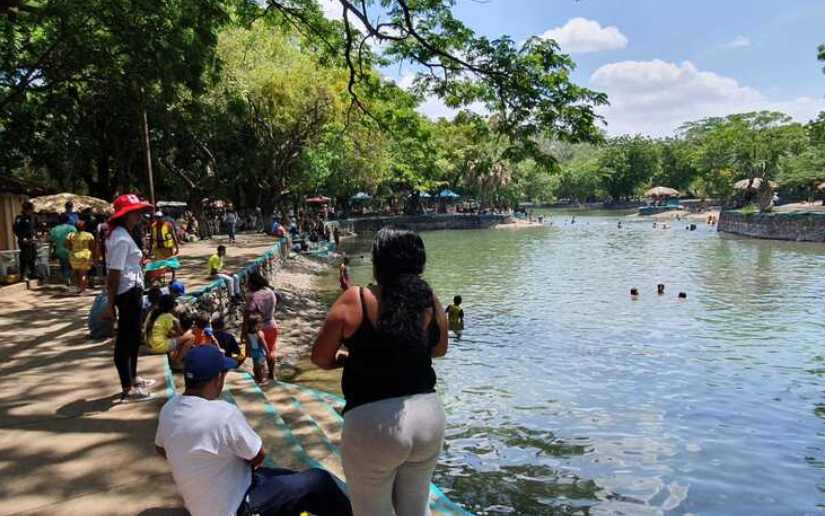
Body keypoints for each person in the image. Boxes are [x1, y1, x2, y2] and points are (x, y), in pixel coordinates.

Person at [311, 228, 449, 516]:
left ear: (378, 263)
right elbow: (438, 350)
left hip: (373, 424)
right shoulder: (429, 300)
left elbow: (321, 357)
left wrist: (347, 359)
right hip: (428, 418)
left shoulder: (356, 299)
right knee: (416, 507)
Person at [155, 346, 353, 516]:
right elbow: (258, 456)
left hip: (202, 505)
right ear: (218, 378)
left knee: (287, 477)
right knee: (318, 479)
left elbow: (161, 449)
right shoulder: (223, 413)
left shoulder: (169, 408)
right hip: (236, 507)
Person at [102, 193, 155, 401]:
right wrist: (110, 304)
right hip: (127, 292)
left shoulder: (123, 234)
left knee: (133, 337)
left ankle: (133, 377)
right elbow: (114, 274)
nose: (139, 217)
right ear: (125, 215)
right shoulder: (121, 238)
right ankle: (127, 386)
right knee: (125, 339)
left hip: (132, 289)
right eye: (135, 213)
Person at [246, 271, 278, 380]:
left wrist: (244, 332)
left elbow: (248, 314)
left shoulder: (254, 296)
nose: (247, 285)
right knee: (271, 351)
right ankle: (271, 375)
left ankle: (259, 377)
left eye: (248, 283)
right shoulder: (270, 292)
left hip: (259, 328)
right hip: (272, 325)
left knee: (257, 355)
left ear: (253, 283)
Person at [146, 295, 195, 363]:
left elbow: (170, 333)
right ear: (172, 306)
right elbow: (181, 334)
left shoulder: (151, 313)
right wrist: (191, 329)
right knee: (191, 337)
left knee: (172, 336)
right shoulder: (168, 316)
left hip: (149, 347)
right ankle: (177, 361)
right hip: (158, 347)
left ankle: (173, 358)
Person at [13, 201, 40, 281]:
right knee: (25, 258)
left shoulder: (33, 217)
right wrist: (22, 238)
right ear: (25, 210)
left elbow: (37, 227)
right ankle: (23, 275)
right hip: (24, 241)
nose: (31, 211)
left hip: (32, 240)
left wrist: (36, 234)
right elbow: (16, 229)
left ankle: (33, 273)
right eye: (30, 210)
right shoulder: (19, 218)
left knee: (33, 256)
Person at [66, 220, 95, 293]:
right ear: (84, 227)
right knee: (83, 273)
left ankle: (78, 287)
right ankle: (83, 289)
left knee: (76, 273)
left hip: (74, 256)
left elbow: (69, 246)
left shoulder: (70, 235)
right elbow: (92, 246)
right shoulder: (89, 235)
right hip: (85, 255)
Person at [50, 214, 77, 286]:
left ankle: (66, 278)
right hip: (71, 250)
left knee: (64, 265)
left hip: (60, 251)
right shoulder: (72, 228)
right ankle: (70, 277)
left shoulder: (54, 229)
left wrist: (51, 252)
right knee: (72, 265)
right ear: (67, 220)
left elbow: (51, 241)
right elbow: (76, 238)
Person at [245, 314, 269, 383]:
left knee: (256, 365)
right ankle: (262, 379)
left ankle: (257, 377)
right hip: (260, 352)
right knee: (262, 366)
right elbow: (264, 343)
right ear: (256, 324)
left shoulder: (248, 334)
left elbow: (248, 344)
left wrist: (247, 352)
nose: (261, 324)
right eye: (260, 323)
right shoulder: (260, 333)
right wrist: (267, 351)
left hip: (253, 352)